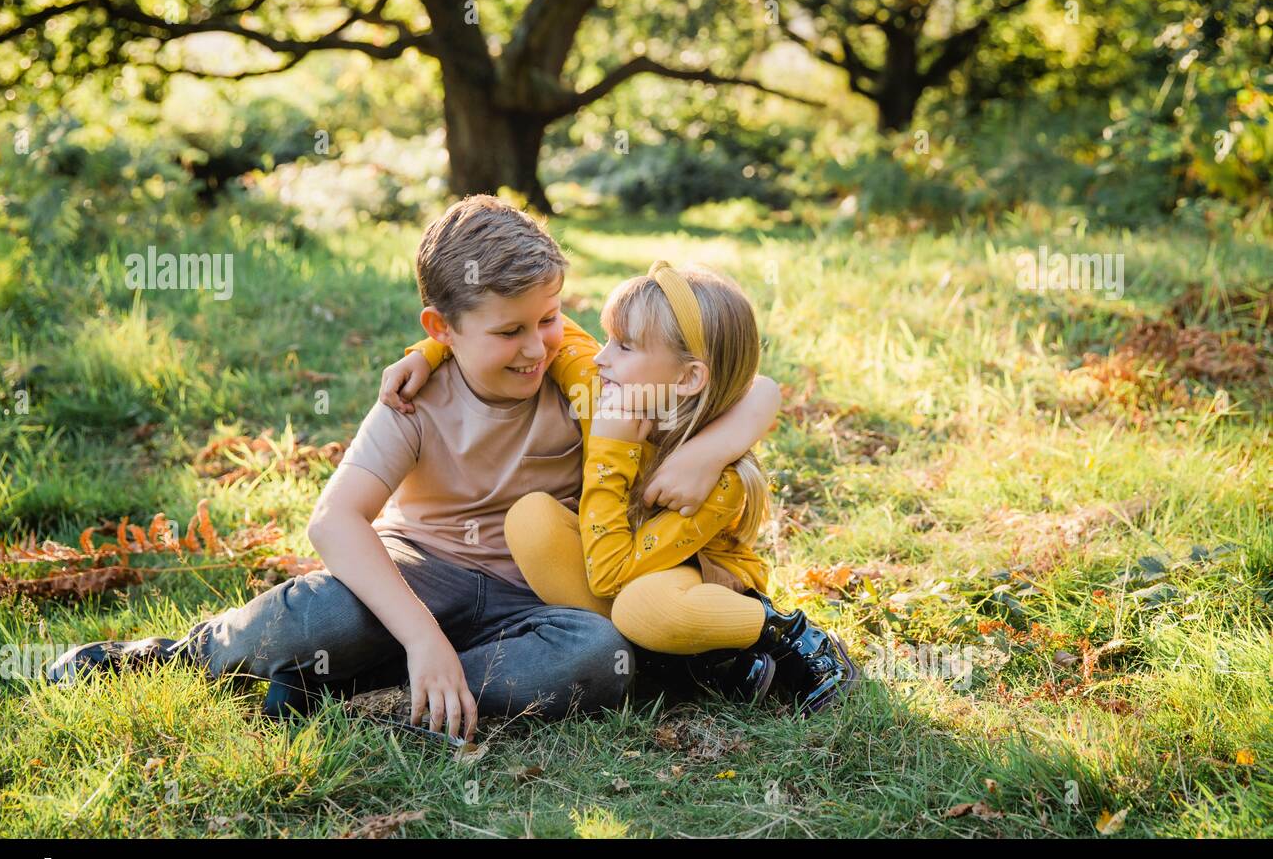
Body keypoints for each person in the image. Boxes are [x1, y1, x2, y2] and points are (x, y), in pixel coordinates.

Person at [47, 196, 780, 740]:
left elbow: (751, 387)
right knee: (329, 611)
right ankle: (179, 655)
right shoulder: (416, 394)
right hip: (421, 573)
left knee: (595, 655)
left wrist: (713, 448)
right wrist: (423, 635)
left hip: (538, 602)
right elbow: (334, 520)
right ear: (440, 330)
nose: (537, 346)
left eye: (550, 316)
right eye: (508, 331)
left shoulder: (587, 380)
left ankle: (380, 692)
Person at [383, 260, 857, 715]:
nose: (602, 357)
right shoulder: (602, 380)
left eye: (625, 346)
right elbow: (521, 322)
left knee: (644, 605)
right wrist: (428, 351)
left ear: (689, 378)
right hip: (622, 566)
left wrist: (612, 449)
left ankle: (787, 634)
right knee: (532, 519)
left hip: (692, 579)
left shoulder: (716, 483)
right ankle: (681, 667)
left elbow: (612, 575)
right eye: (608, 339)